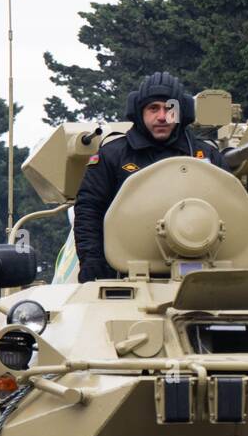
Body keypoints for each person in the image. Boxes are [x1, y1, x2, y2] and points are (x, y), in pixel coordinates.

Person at [73, 71, 229, 282]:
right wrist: (93, 260)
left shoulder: (206, 156)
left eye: (169, 108)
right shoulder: (113, 156)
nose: (162, 116)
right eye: (153, 108)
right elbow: (89, 209)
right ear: (140, 112)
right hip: (128, 273)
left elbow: (229, 210)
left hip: (200, 269)